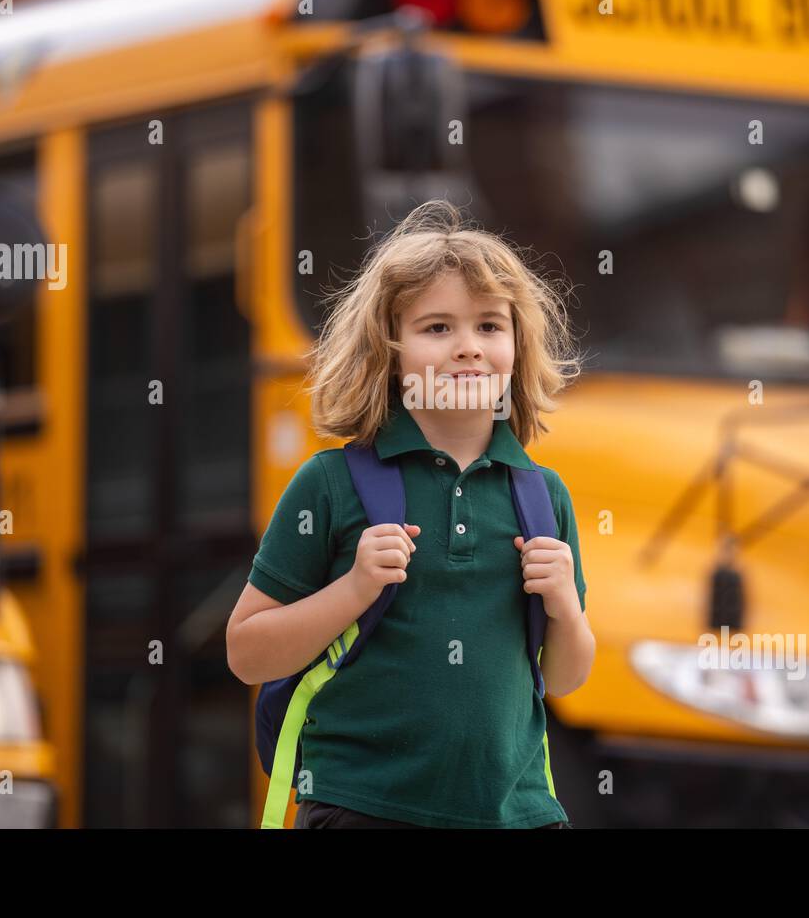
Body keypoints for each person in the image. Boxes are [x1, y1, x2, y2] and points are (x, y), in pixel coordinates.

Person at [227, 199, 594, 828]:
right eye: (437, 328)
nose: (468, 348)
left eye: (489, 326)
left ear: (517, 345)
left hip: (520, 814)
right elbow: (246, 653)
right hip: (365, 808)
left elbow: (564, 678)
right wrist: (354, 588)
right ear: (388, 352)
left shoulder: (542, 494)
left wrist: (564, 604)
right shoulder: (332, 484)